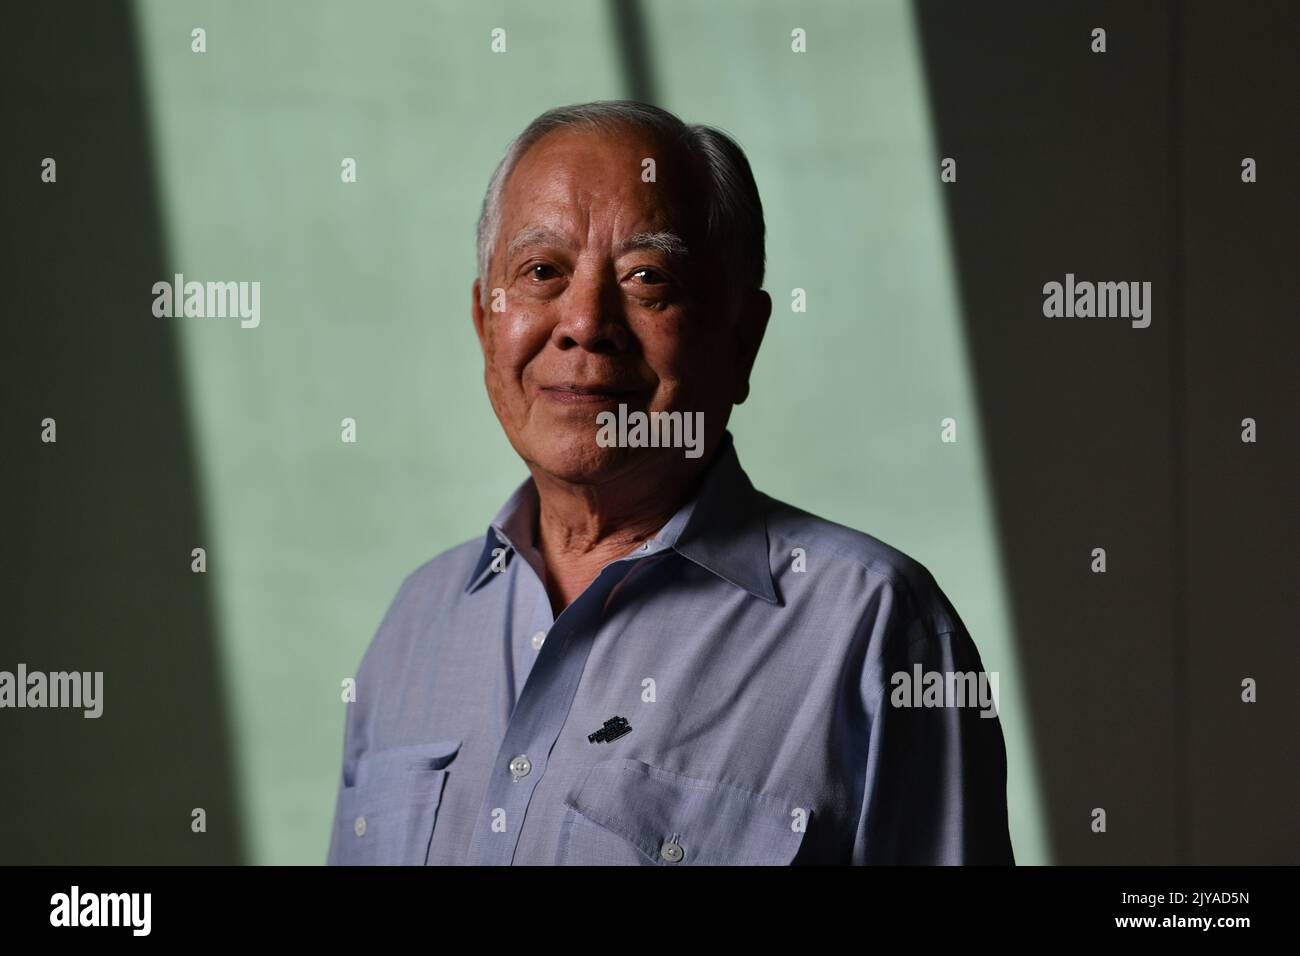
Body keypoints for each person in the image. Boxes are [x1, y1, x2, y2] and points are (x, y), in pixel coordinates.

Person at [327, 101, 1014, 865]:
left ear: (740, 338)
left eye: (648, 278)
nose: (585, 321)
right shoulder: (414, 626)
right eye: (542, 272)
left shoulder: (878, 630)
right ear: (487, 325)